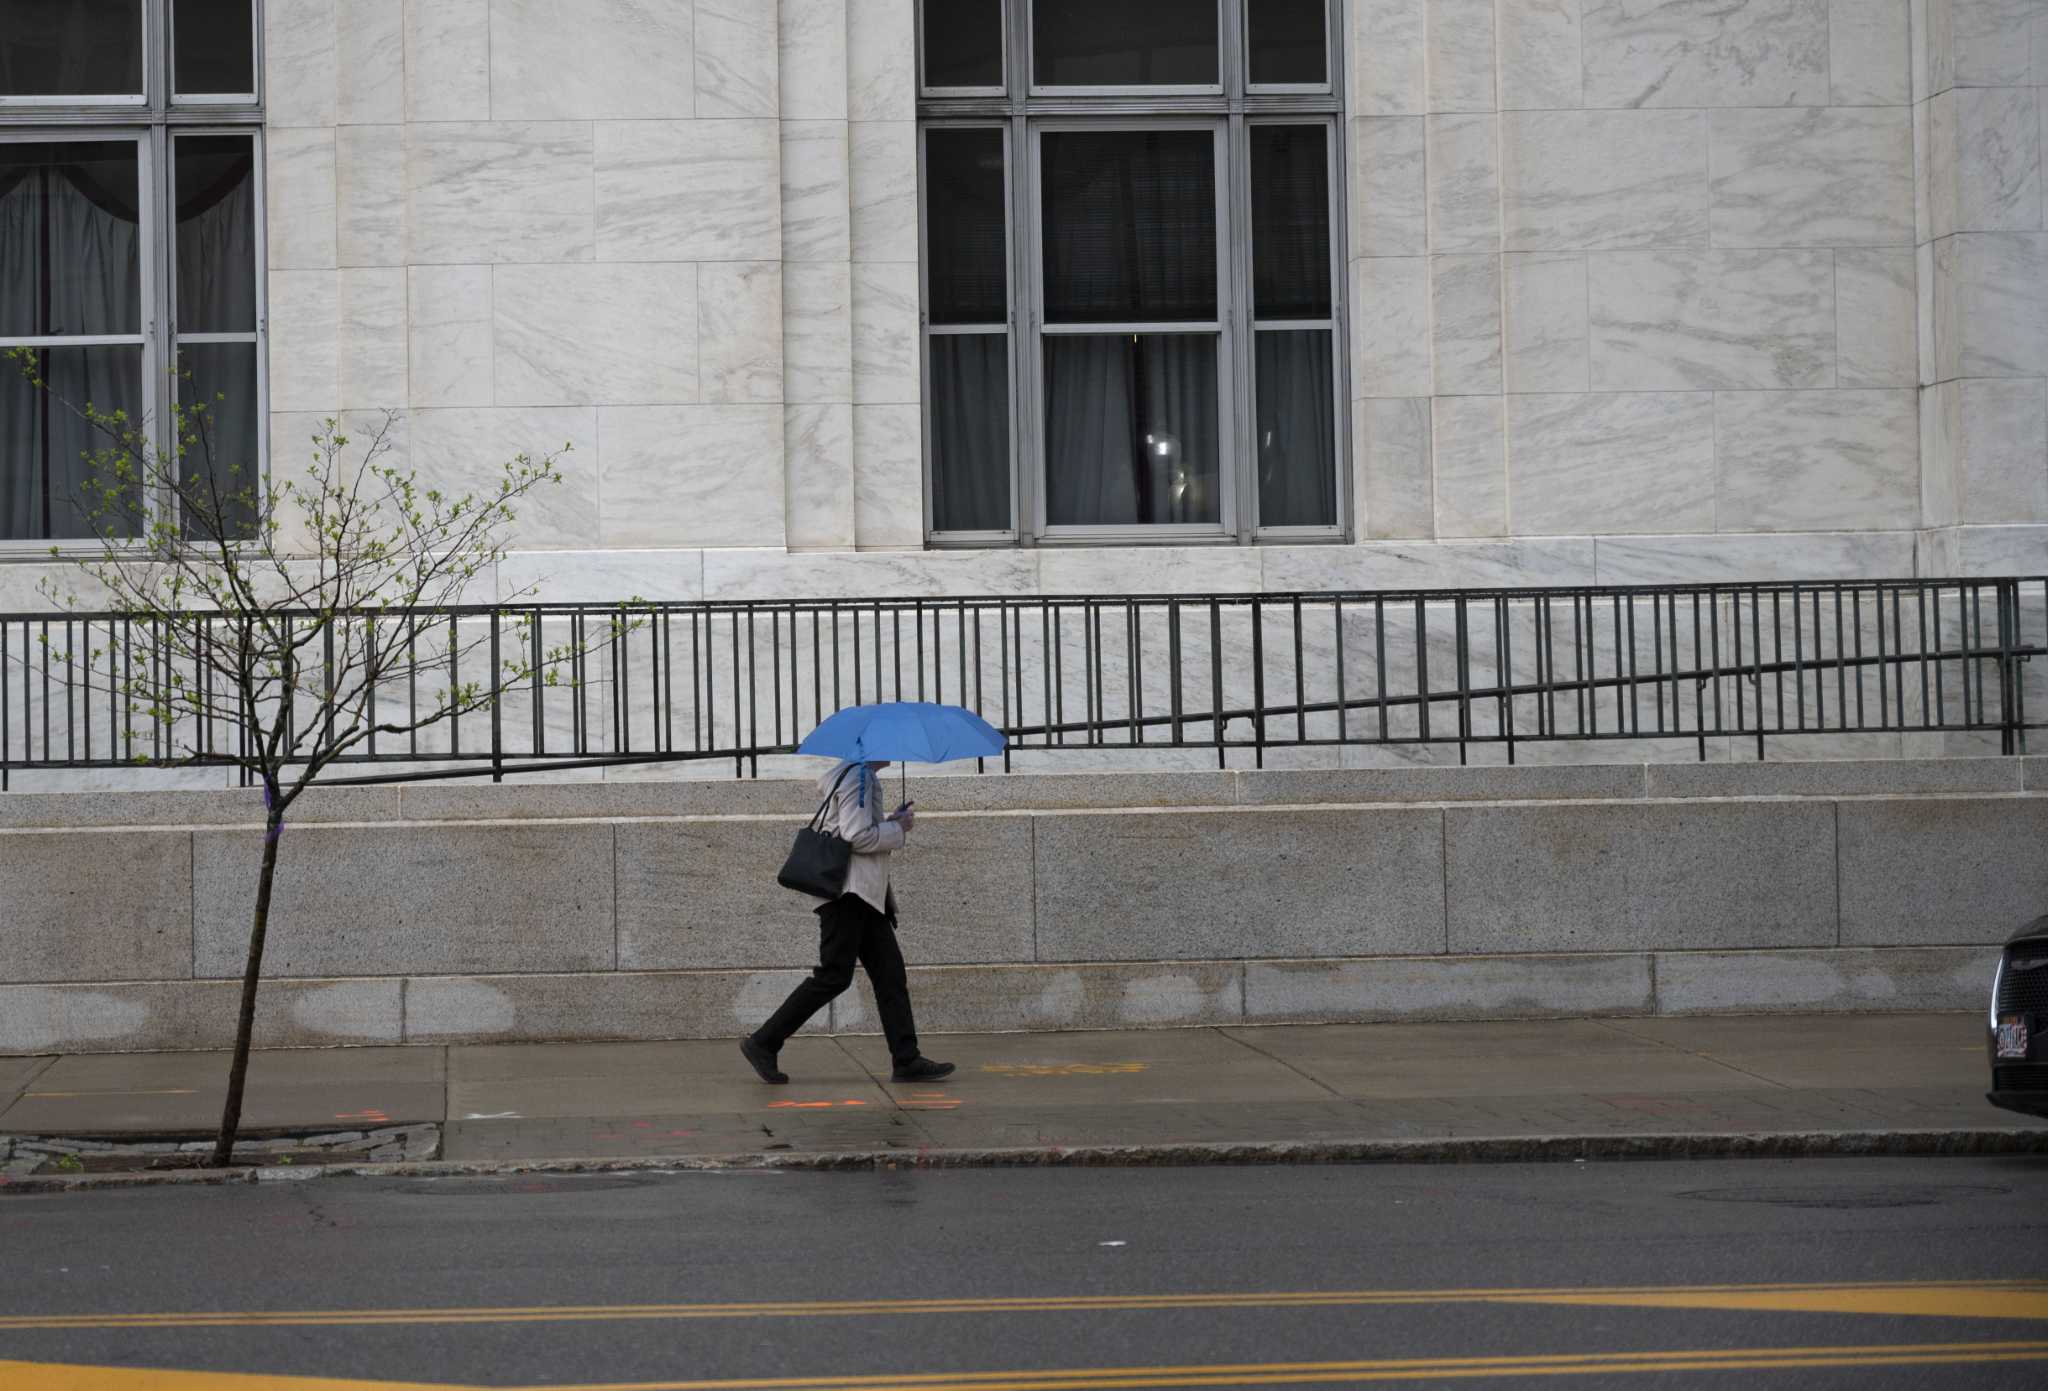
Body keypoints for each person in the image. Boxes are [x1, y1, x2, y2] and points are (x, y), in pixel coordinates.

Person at [740, 758, 956, 1085]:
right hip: (850, 896)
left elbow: (853, 828)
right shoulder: (859, 778)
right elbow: (856, 836)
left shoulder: (857, 776)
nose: (895, 754)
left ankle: (906, 1059)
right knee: (833, 976)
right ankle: (764, 1042)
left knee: (890, 975)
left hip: (865, 897)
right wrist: (898, 829)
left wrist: (888, 820)